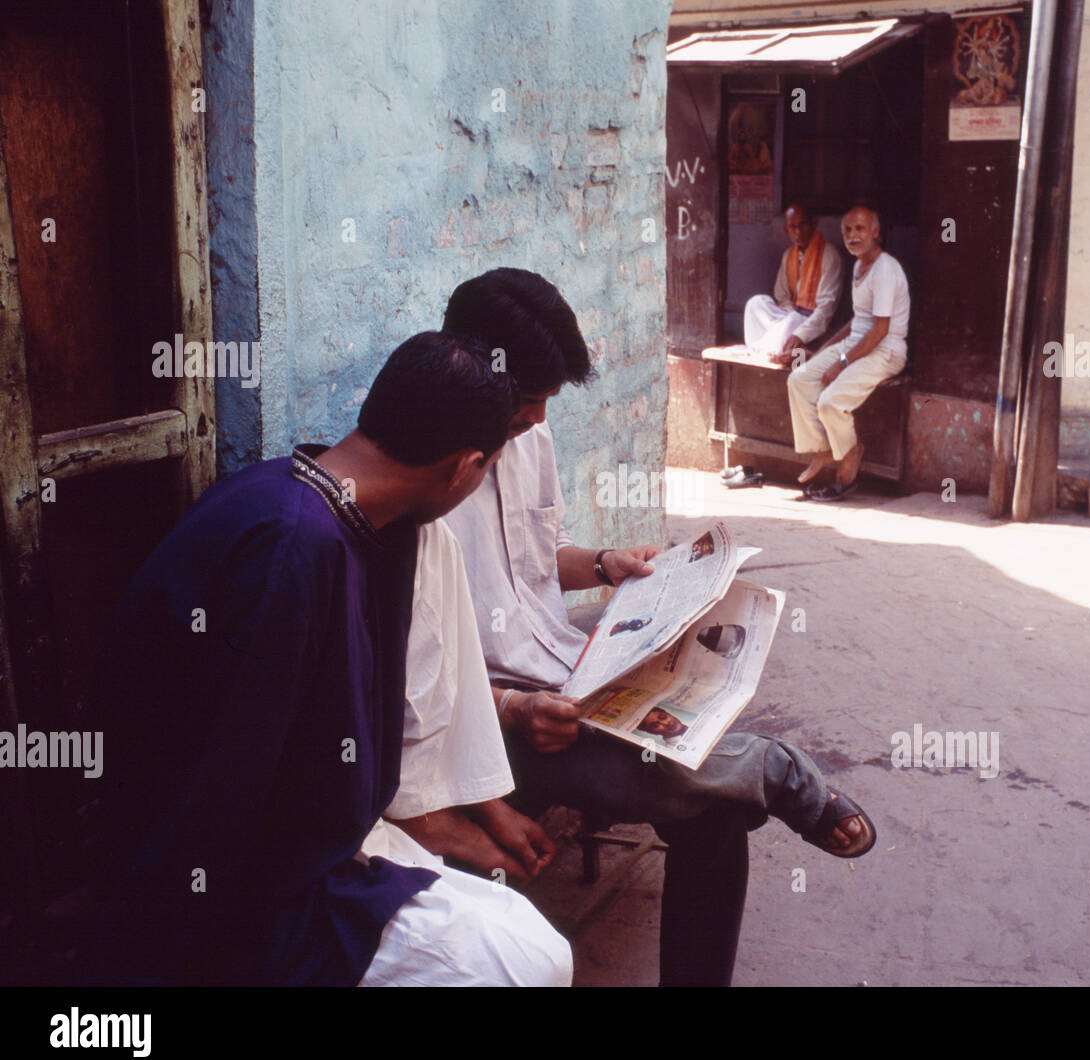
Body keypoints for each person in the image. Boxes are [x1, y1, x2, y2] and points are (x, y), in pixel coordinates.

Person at [79, 331, 570, 986]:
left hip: (309, 843)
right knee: (518, 965)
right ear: (462, 468)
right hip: (243, 886)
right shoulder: (291, 547)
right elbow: (215, 795)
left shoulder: (319, 501)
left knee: (532, 940)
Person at [439, 267, 877, 987]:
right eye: (525, 406)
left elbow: (537, 559)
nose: (538, 423)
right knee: (721, 793)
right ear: (469, 372)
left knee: (711, 812)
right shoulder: (433, 473)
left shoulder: (527, 444)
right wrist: (511, 708)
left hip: (564, 671)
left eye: (545, 405)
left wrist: (610, 564)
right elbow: (407, 685)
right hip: (502, 723)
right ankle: (773, 768)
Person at [786, 205, 910, 501]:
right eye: (848, 230)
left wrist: (841, 362)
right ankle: (825, 449)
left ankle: (852, 453)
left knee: (830, 402)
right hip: (858, 344)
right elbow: (859, 321)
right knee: (799, 379)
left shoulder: (886, 268)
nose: (853, 236)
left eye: (861, 229)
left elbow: (880, 329)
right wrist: (824, 351)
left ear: (876, 232)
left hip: (885, 351)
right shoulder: (858, 265)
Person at [743, 202, 844, 365]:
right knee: (756, 303)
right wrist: (788, 317)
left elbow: (826, 310)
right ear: (786, 230)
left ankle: (773, 349)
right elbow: (782, 296)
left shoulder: (829, 255)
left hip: (813, 323)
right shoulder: (788, 255)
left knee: (792, 321)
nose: (798, 232)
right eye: (793, 227)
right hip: (790, 317)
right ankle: (769, 346)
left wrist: (800, 334)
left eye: (803, 225)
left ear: (814, 223)